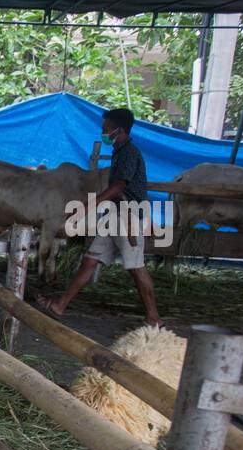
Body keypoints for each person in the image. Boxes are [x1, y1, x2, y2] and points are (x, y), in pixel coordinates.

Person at [38, 107, 162, 328]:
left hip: (128, 217)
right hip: (114, 216)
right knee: (89, 261)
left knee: (136, 267)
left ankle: (154, 318)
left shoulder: (129, 153)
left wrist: (86, 207)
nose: (102, 132)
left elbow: (118, 186)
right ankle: (60, 305)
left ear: (119, 130)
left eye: (105, 128)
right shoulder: (119, 151)